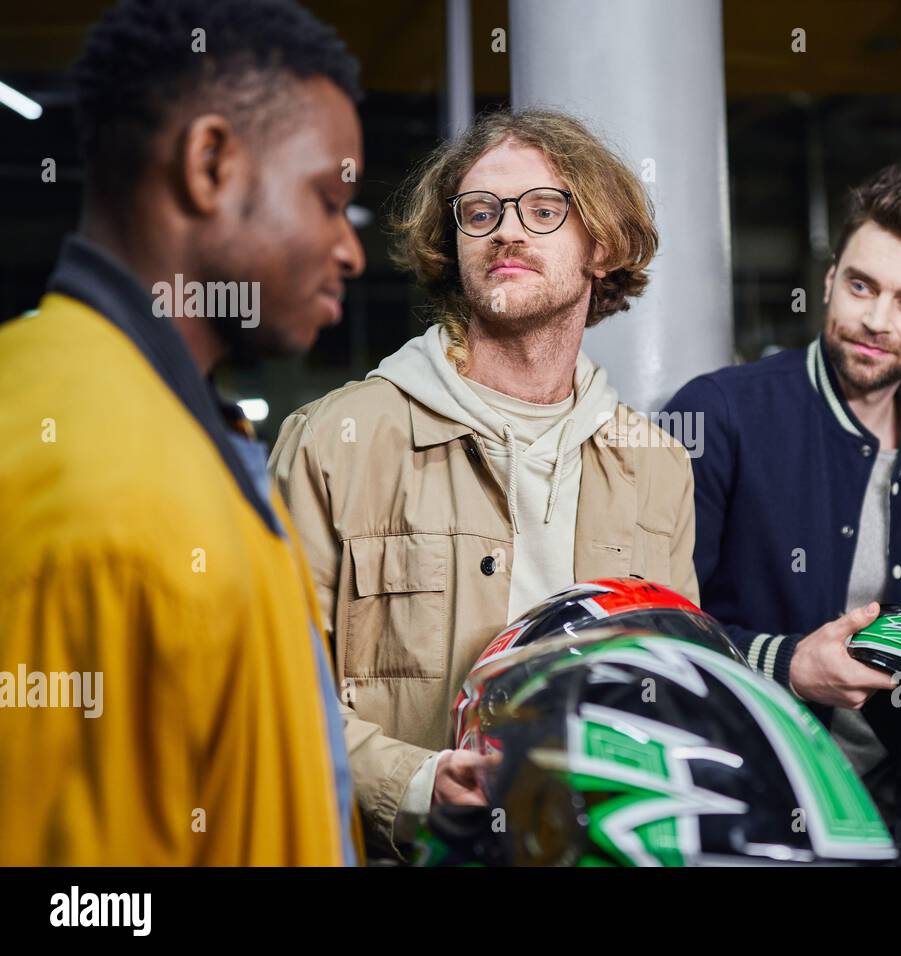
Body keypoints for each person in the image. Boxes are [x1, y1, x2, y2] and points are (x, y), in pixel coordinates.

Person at [269, 108, 698, 858]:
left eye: (543, 209)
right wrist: (412, 783)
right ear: (453, 244)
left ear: (600, 245)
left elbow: (679, 683)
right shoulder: (337, 443)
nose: (507, 231)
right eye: (479, 212)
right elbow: (268, 690)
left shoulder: (656, 466)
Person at [0, 0, 366, 865]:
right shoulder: (104, 498)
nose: (350, 251)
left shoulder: (193, 435)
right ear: (209, 165)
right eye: (327, 199)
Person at [665, 163, 901, 819]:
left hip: (889, 823)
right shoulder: (715, 414)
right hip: (737, 817)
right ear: (829, 279)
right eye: (861, 286)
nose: (875, 320)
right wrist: (785, 664)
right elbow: (643, 629)